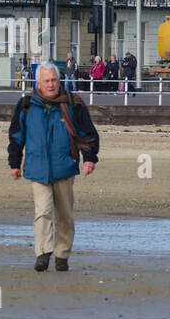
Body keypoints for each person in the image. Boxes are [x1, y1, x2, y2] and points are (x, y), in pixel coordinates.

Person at [7, 63, 100, 272]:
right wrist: (14, 163)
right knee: (42, 212)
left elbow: (88, 133)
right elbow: (16, 136)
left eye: (54, 80)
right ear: (38, 83)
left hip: (64, 167)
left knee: (65, 214)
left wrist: (89, 158)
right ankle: (43, 253)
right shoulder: (26, 105)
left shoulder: (73, 103)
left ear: (60, 81)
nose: (51, 85)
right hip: (36, 168)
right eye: (47, 81)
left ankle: (62, 254)